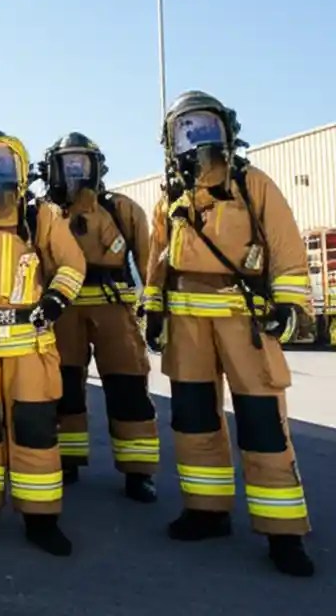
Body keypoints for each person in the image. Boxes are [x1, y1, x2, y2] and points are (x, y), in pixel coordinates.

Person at [143, 90, 315, 577]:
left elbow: (285, 249)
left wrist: (289, 306)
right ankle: (206, 510)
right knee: (194, 421)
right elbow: (159, 261)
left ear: (227, 132)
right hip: (188, 330)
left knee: (262, 425)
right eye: (186, 130)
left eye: (205, 128)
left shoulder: (253, 184)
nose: (196, 140)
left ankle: (284, 533)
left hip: (246, 326)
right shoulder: (170, 199)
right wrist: (153, 311)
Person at [0, 129, 85, 556]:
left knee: (36, 431)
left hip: (30, 346)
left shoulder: (40, 216)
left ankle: (42, 517)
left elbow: (71, 262)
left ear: (21, 169)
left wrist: (57, 298)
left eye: (4, 163)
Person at [38, 133, 159, 502]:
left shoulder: (122, 209)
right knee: (64, 389)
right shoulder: (44, 214)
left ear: (97, 166)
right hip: (64, 312)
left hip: (114, 310)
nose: (75, 171)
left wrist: (153, 309)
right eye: (67, 163)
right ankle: (68, 461)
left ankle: (138, 473)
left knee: (128, 388)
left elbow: (148, 264)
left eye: (82, 162)